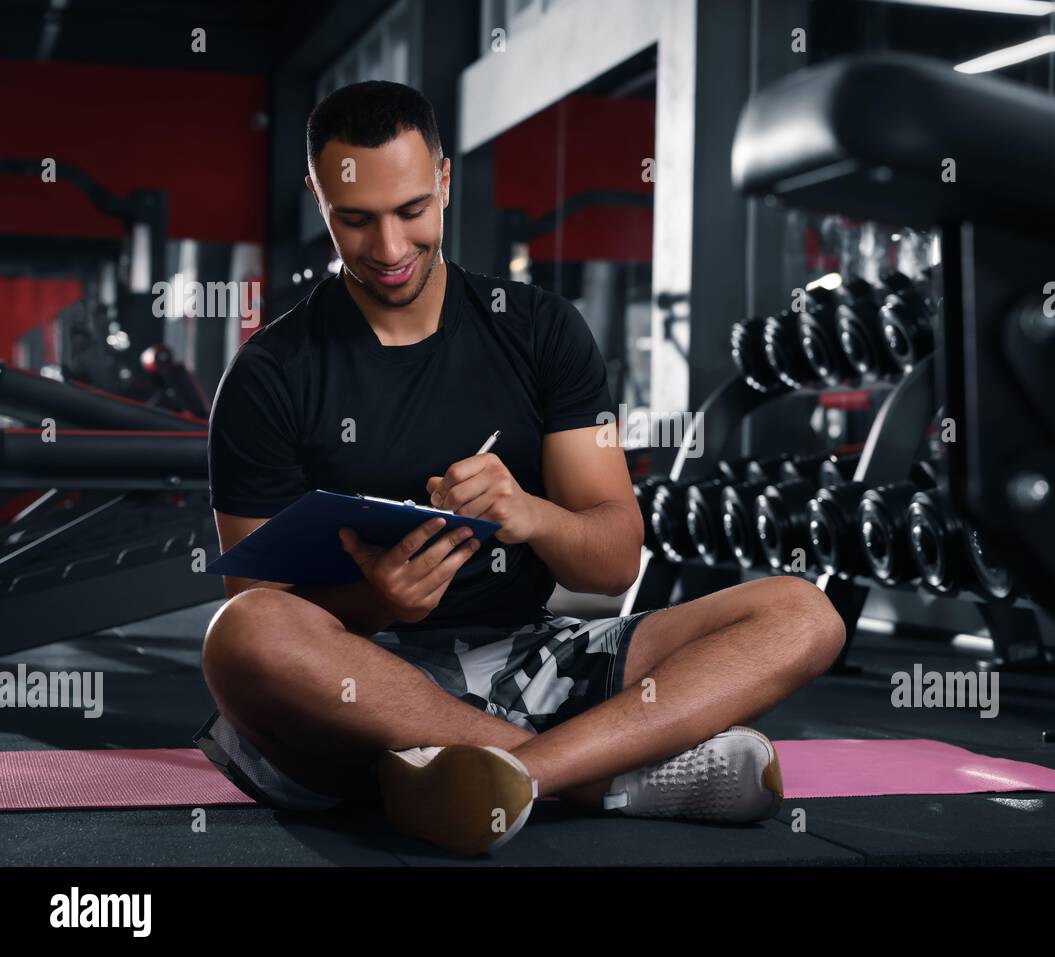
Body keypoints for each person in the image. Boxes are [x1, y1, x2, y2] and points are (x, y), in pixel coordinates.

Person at [195, 80, 845, 857]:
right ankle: (613, 775)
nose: (391, 249)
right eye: (356, 220)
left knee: (803, 612)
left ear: (443, 179)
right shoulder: (270, 373)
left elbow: (613, 563)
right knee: (241, 635)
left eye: (411, 211)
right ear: (318, 197)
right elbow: (260, 606)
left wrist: (533, 513)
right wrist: (377, 601)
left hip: (538, 661)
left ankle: (511, 773)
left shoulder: (541, 330)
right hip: (362, 682)